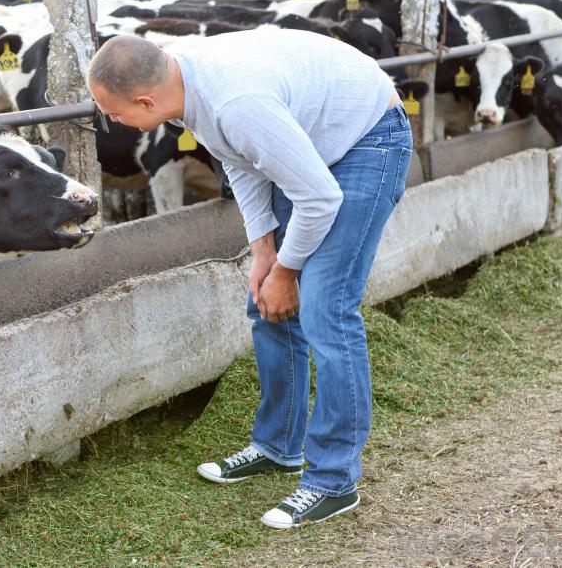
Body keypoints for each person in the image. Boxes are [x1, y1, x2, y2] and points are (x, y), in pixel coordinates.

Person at [86, 29, 412, 529]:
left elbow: (319, 198)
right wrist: (263, 252)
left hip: (369, 139)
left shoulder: (234, 101)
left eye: (113, 111)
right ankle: (279, 444)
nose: (111, 120)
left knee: (326, 305)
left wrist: (287, 270)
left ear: (146, 100)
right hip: (310, 141)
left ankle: (332, 480)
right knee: (263, 297)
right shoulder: (186, 85)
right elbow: (241, 161)